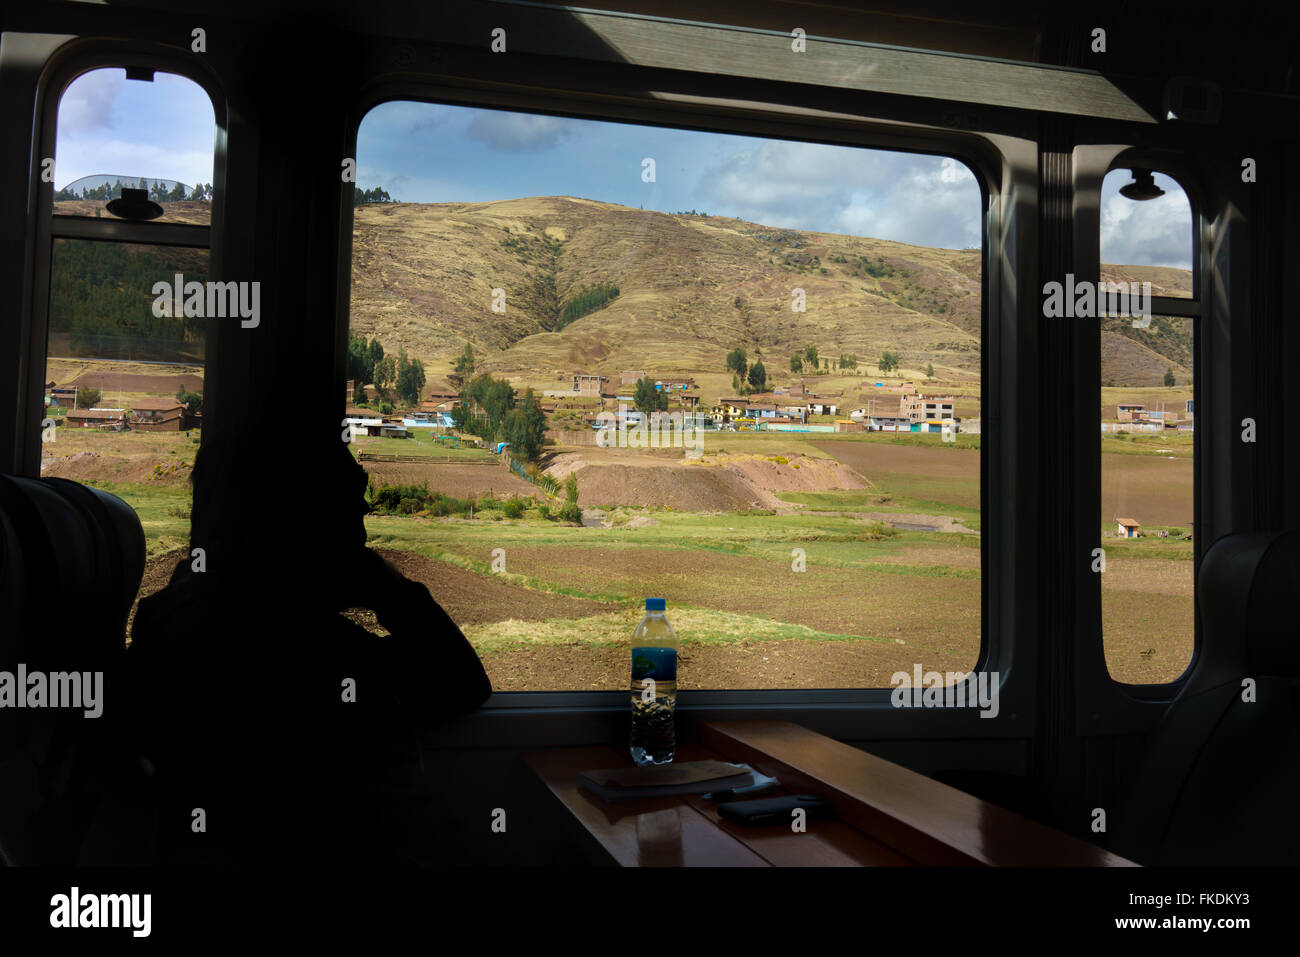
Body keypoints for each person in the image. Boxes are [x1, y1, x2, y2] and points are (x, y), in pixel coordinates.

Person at [107, 426, 492, 865]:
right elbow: (462, 681)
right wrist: (386, 586)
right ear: (302, 520)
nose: (364, 512)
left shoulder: (170, 634)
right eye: (349, 499)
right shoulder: (324, 656)